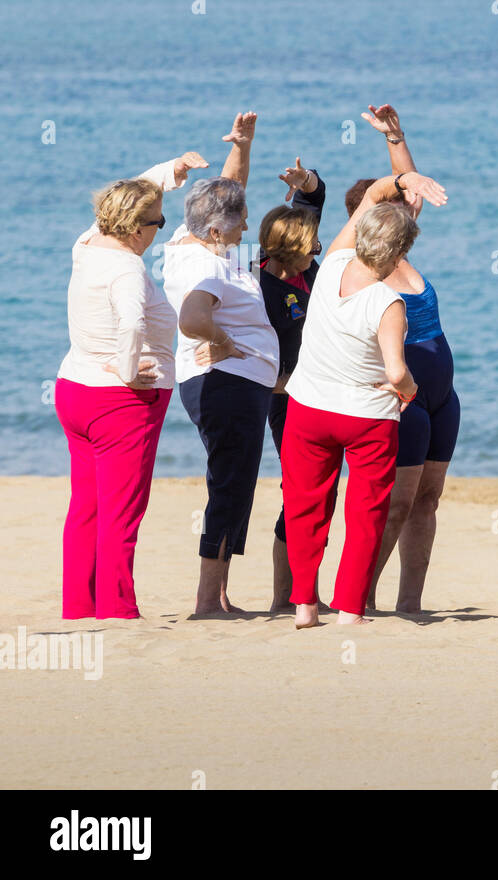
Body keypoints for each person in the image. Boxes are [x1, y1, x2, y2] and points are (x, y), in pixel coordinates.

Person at [282, 172, 448, 628]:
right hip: (366, 419)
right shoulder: (386, 301)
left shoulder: (331, 264)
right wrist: (408, 392)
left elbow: (372, 198)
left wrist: (399, 178)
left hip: (308, 410)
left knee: (305, 507)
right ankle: (350, 610)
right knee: (365, 513)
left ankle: (304, 606)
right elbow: (396, 371)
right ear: (397, 253)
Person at [55, 150, 208, 619]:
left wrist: (171, 172)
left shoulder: (89, 243)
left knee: (88, 506)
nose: (158, 233)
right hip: (120, 403)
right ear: (135, 227)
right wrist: (126, 372)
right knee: (122, 512)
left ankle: (80, 606)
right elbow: (131, 323)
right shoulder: (126, 268)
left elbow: (132, 194)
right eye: (158, 225)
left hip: (75, 390)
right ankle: (118, 610)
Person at [163, 112, 280, 616]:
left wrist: (243, 146)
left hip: (230, 383)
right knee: (230, 483)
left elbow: (226, 190)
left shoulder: (190, 240)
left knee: (233, 481)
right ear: (215, 229)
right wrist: (224, 340)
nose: (249, 227)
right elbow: (192, 317)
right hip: (225, 381)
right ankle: (208, 600)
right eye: (240, 222)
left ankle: (221, 594)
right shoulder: (207, 263)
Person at [355, 104, 462, 614]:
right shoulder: (363, 268)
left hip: (443, 399)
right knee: (396, 505)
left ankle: (410, 601)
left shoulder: (402, 255)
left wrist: (396, 137)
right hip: (405, 400)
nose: (407, 211)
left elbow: (412, 185)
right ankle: (361, 597)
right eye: (396, 208)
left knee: (428, 500)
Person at [258, 158, 328, 612]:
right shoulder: (259, 284)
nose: (319, 245)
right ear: (290, 251)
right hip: (286, 402)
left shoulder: (309, 270)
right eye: (311, 243)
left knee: (323, 492)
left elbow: (310, 207)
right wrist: (280, 381)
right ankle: (288, 595)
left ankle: (305, 592)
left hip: (321, 395)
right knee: (300, 491)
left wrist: (307, 184)